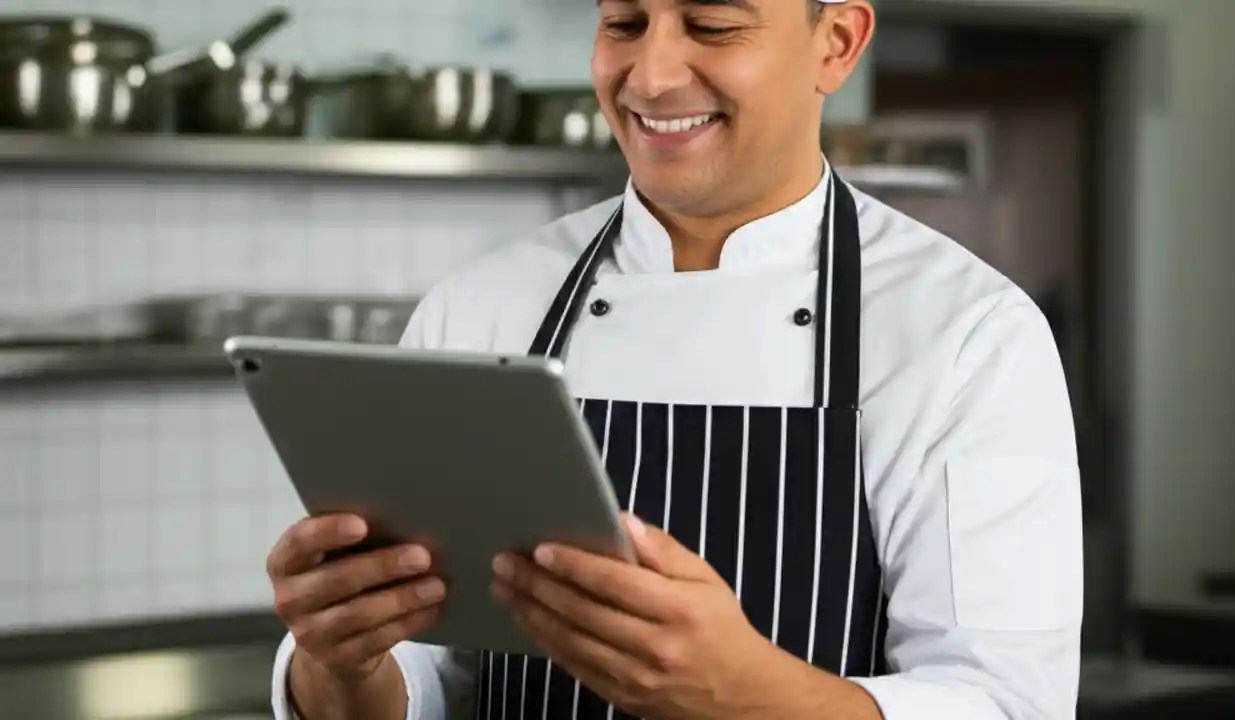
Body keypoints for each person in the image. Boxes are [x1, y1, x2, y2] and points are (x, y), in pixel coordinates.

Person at [266, 0, 1082, 718]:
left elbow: (1004, 704)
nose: (650, 77)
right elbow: (422, 675)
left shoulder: (969, 337)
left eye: (712, 25)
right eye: (623, 22)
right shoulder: (478, 309)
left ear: (835, 43)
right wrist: (340, 664)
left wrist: (751, 695)